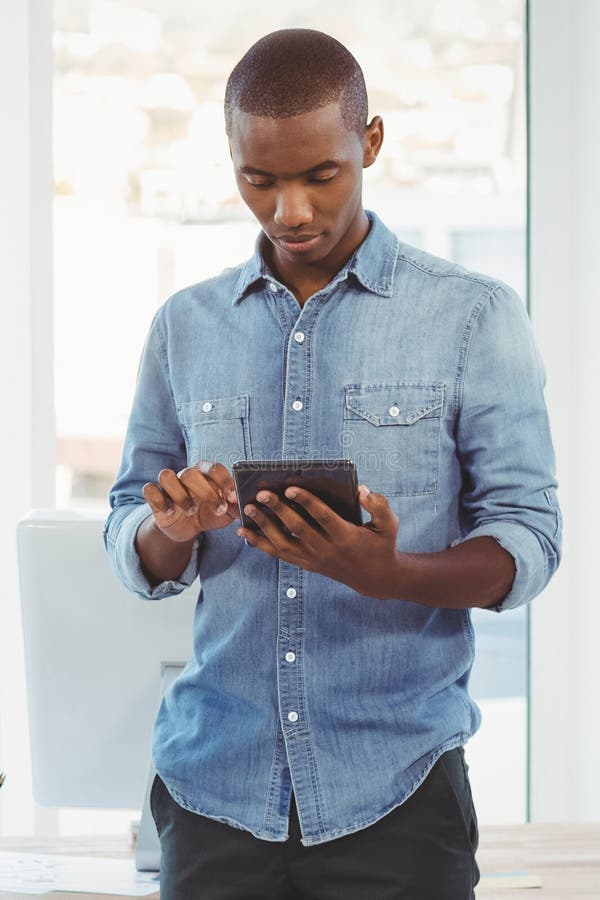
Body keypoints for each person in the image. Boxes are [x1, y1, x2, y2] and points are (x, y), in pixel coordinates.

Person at [103, 28, 562, 900]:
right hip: (212, 793)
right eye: (260, 180)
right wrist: (168, 530)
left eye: (322, 175)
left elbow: (530, 541)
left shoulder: (474, 319)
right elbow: (130, 532)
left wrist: (388, 572)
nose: (292, 212)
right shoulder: (183, 327)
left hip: (396, 798)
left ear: (371, 144)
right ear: (231, 159)